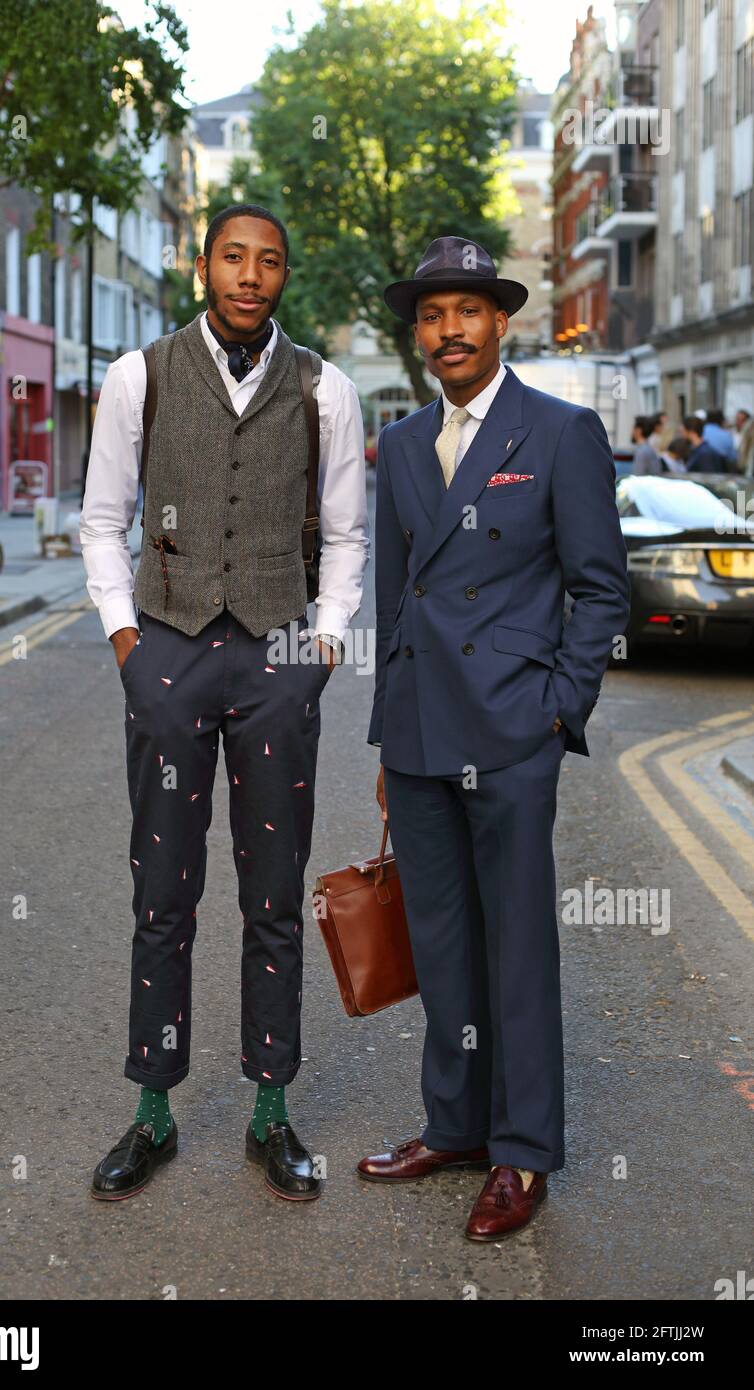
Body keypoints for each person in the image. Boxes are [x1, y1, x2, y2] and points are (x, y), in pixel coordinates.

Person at [79, 204, 369, 1203]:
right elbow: (100, 519)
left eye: (269, 261)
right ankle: (152, 1112)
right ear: (203, 265)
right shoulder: (140, 376)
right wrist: (126, 640)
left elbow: (343, 535)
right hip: (164, 652)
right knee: (160, 893)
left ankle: (269, 1113)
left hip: (278, 658)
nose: (250, 275)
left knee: (273, 896)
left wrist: (323, 644)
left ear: (286, 275)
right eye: (232, 258)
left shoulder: (324, 388)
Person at [359, 235, 629, 1241]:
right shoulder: (396, 447)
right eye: (431, 316)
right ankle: (453, 1126)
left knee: (514, 948)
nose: (447, 330)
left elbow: (599, 588)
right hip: (422, 738)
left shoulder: (557, 432)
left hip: (510, 733)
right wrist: (388, 745)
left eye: (465, 311)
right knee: (440, 945)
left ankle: (521, 1154)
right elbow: (395, 606)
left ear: (499, 322)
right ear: (418, 333)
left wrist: (555, 709)